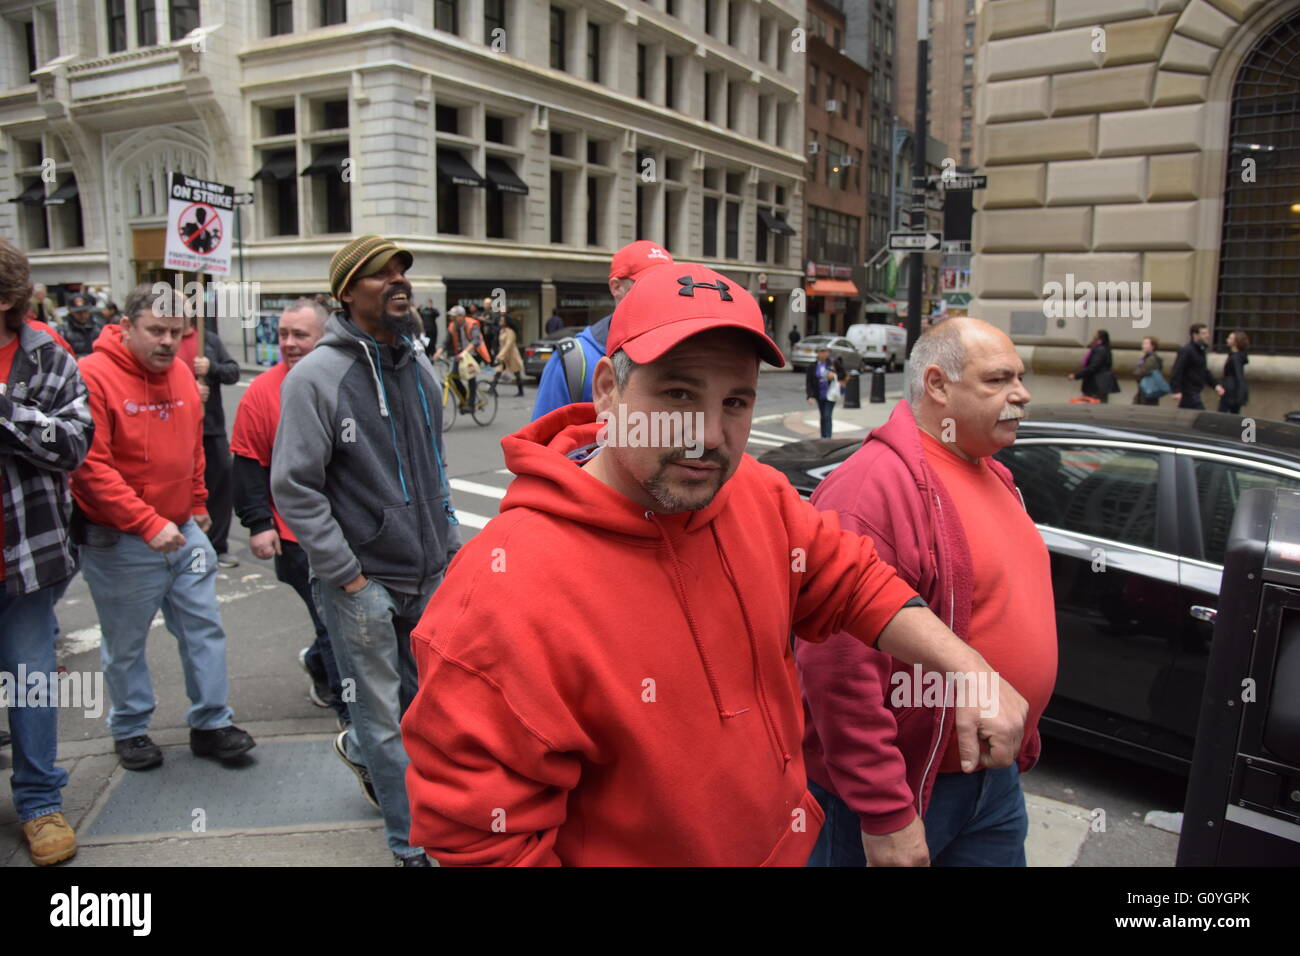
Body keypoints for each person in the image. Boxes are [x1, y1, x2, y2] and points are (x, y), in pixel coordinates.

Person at [400, 264, 1028, 866]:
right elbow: (481, 838)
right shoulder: (502, 591)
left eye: (735, 402)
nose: (707, 432)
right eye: (678, 392)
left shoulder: (754, 491)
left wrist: (968, 669)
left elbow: (853, 580)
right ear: (609, 392)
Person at [799, 318, 1055, 868]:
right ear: (938, 385)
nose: (1022, 393)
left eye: (1021, 377)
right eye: (998, 379)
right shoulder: (871, 489)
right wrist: (885, 811)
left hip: (989, 782)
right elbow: (837, 669)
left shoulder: (993, 473)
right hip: (905, 792)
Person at [272, 235, 460, 867]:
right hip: (364, 584)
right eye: (381, 274)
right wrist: (349, 578)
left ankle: (423, 810)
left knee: (428, 713)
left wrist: (450, 547)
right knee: (382, 719)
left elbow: (434, 467)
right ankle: (410, 847)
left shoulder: (418, 365)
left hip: (430, 574)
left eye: (402, 270)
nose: (398, 280)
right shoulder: (316, 377)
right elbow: (294, 487)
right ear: (347, 292)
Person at [71, 283, 255, 772]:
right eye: (156, 330)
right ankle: (130, 729)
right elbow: (90, 468)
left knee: (204, 629)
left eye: (177, 332)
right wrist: (146, 522)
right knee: (126, 641)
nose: (168, 342)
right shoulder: (92, 375)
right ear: (126, 326)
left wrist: (197, 503)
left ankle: (212, 722)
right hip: (121, 539)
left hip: (182, 530)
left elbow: (192, 446)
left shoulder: (178, 375)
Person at [0, 239, 95, 865]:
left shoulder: (45, 355)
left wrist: (4, 412)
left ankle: (39, 802)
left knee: (31, 678)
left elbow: (75, 443)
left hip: (23, 555)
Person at [230, 299, 348, 727]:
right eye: (283, 334)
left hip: (352, 530)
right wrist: (259, 525)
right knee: (333, 624)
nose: (289, 343)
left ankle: (316, 663)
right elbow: (247, 465)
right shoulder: (261, 393)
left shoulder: (346, 380)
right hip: (298, 537)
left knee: (345, 621)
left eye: (300, 335)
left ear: (325, 336)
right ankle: (349, 718)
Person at [530, 240, 674, 420]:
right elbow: (540, 443)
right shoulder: (574, 360)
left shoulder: (682, 349)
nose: (661, 293)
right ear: (616, 287)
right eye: (648, 284)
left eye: (667, 284)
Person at [178, 316, 241, 568]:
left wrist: (211, 368)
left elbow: (232, 371)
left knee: (221, 482)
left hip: (211, 427)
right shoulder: (166, 341)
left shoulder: (208, 340)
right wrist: (189, 391)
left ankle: (217, 546)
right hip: (179, 430)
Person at [435, 305, 492, 412]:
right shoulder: (452, 326)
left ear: (461, 316)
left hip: (474, 354)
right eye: (451, 317)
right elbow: (446, 342)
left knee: (471, 376)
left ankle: (471, 405)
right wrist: (438, 352)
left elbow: (476, 341)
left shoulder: (472, 324)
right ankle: (464, 397)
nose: (452, 319)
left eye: (454, 316)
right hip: (460, 355)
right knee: (454, 377)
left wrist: (465, 352)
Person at [1170, 323, 1225, 410]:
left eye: (1207, 333)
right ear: (1195, 335)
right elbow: (1177, 370)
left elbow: (1204, 370)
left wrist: (1216, 385)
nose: (1207, 336)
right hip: (1188, 391)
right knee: (1201, 416)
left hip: (1195, 391)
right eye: (1203, 333)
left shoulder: (1201, 351)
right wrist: (1176, 390)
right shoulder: (1187, 350)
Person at [1067, 328, 1120, 403]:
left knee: (1095, 406)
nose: (1092, 337)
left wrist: (1076, 375)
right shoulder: (1103, 349)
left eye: (1095, 336)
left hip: (1096, 385)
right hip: (1098, 385)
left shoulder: (1100, 350)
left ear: (1099, 338)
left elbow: (1093, 367)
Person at [805, 345, 845, 439]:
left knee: (827, 415)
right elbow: (809, 382)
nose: (824, 354)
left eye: (825, 352)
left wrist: (834, 375)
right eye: (821, 352)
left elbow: (843, 373)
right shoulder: (813, 366)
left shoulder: (833, 363)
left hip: (831, 394)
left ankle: (828, 437)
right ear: (817, 353)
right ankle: (823, 437)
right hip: (820, 394)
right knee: (823, 416)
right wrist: (809, 396)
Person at [58, 293, 106, 359]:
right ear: (70, 312)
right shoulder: (62, 331)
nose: (83, 315)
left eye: (85, 311)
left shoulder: (100, 326)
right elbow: (61, 354)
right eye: (78, 313)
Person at [494, 312, 526, 397]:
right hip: (504, 356)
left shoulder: (510, 332)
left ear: (506, 321)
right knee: (498, 371)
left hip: (512, 355)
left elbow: (508, 344)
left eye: (502, 319)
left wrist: (500, 354)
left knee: (516, 372)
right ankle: (492, 389)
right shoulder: (502, 331)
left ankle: (521, 390)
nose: (500, 321)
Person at [1219, 330, 1249, 414]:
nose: (1227, 340)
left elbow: (1239, 376)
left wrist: (1240, 396)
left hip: (1231, 393)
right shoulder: (1234, 356)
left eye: (1230, 338)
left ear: (1236, 342)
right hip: (1231, 391)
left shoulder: (1235, 358)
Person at [1132, 336, 1167, 406]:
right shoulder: (1145, 358)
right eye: (1143, 344)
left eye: (1145, 344)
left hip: (1148, 391)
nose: (1143, 346)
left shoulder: (1152, 359)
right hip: (1145, 390)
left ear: (1152, 346)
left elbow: (1142, 372)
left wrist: (1137, 372)